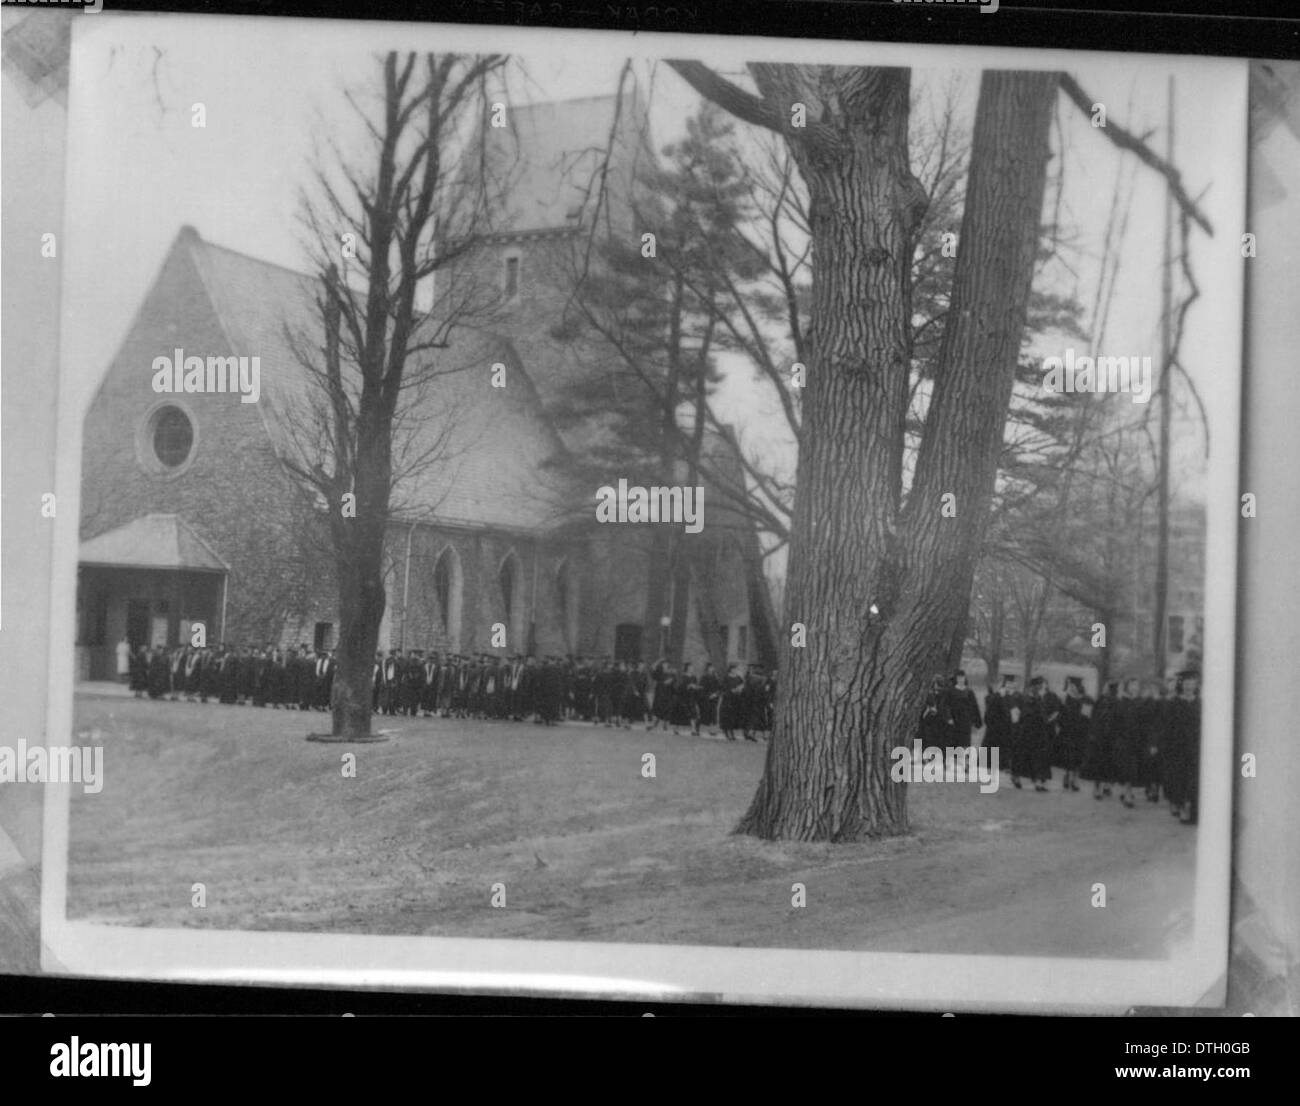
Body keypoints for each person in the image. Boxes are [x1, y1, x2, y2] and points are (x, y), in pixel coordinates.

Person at [1083, 681, 1119, 799]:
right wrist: (1092, 733)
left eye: (1107, 688)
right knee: (1099, 763)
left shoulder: (1117, 702)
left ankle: (1107, 785)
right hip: (1099, 737)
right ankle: (1098, 787)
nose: (1105, 690)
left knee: (1110, 762)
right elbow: (1093, 717)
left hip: (1111, 737)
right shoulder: (1100, 701)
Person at [1057, 677, 1092, 793]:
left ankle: (1075, 779)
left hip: (1080, 733)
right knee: (1068, 756)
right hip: (1067, 732)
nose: (1071, 689)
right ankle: (1067, 775)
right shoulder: (1065, 699)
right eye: (1070, 686)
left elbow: (1087, 717)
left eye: (1073, 686)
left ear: (1078, 687)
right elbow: (1060, 715)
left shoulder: (1086, 700)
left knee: (1078, 757)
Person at [949, 670, 982, 748]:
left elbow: (974, 706)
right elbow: (946, 706)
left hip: (965, 722)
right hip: (954, 721)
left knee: (964, 744)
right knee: (952, 744)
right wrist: (948, 717)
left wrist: (977, 721)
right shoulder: (950, 692)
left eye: (962, 678)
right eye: (959, 678)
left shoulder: (969, 692)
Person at [718, 663, 744, 742]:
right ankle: (727, 732)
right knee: (727, 716)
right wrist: (731, 690)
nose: (736, 670)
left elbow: (742, 684)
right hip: (728, 699)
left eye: (736, 669)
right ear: (731, 669)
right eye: (734, 669)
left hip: (735, 699)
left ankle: (731, 732)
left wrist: (740, 689)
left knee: (733, 716)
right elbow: (723, 688)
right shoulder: (727, 677)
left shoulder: (738, 677)